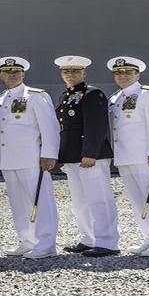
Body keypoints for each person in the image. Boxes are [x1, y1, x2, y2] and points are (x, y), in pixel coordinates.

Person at [0, 57, 60, 259]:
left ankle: (46, 244)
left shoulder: (36, 96)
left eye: (16, 71)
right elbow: (0, 131)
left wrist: (49, 154)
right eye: (8, 72)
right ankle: (27, 240)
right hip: (9, 159)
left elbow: (50, 127)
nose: (12, 75)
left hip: (32, 159)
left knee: (41, 201)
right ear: (1, 75)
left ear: (23, 74)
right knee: (18, 203)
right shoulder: (0, 99)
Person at [54, 56, 121, 258]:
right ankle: (88, 238)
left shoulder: (92, 94)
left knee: (99, 198)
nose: (71, 74)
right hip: (72, 156)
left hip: (91, 156)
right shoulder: (65, 96)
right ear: (61, 74)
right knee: (80, 202)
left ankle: (107, 242)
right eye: (66, 71)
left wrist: (90, 153)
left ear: (84, 73)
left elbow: (96, 126)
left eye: (75, 71)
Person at [107, 57, 149, 256]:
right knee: (138, 202)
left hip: (147, 158)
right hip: (125, 157)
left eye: (128, 72)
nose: (123, 76)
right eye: (119, 73)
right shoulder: (116, 98)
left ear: (138, 74)